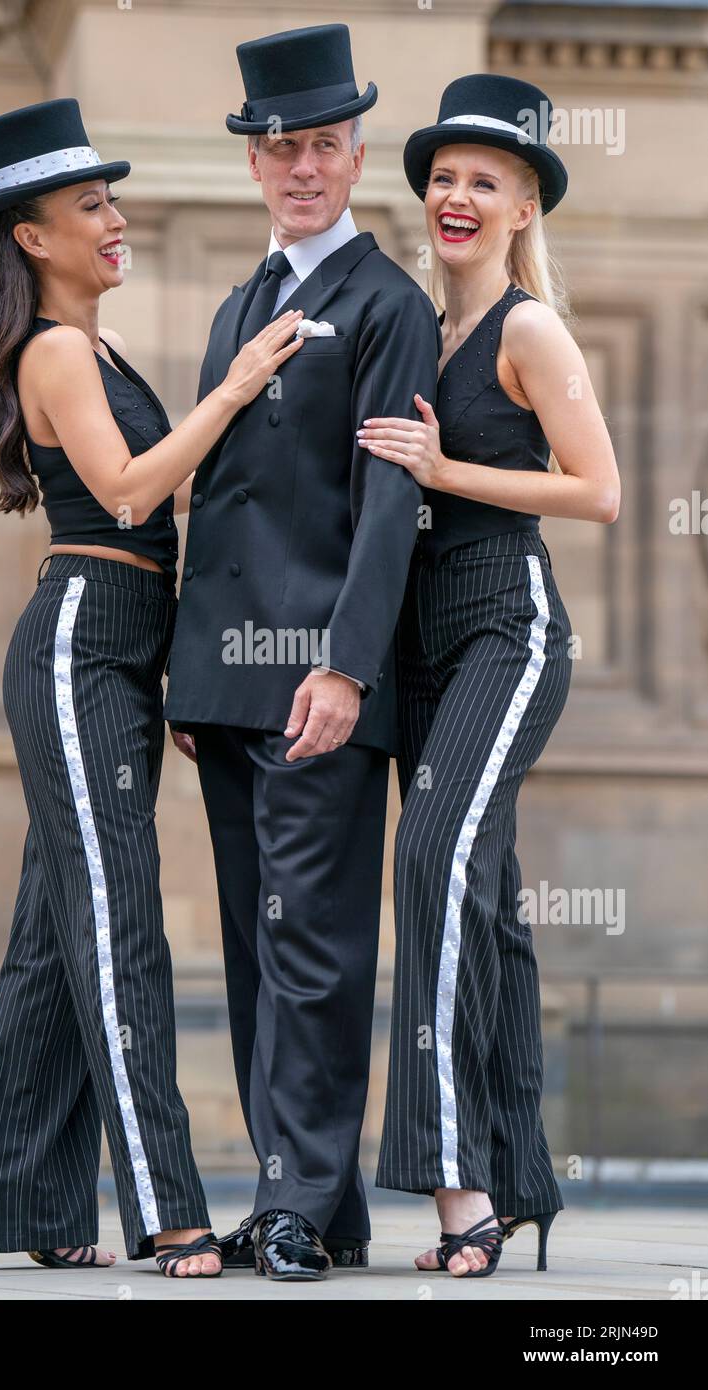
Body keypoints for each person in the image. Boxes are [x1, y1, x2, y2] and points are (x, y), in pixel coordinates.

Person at [0, 97, 304, 1278]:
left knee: (58, 939)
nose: (115, 220)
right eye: (89, 205)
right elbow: (131, 495)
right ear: (30, 237)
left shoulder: (90, 347)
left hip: (119, 651)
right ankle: (168, 1212)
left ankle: (24, 1211)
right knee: (118, 926)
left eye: (111, 199)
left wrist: (184, 670)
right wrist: (243, 378)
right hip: (76, 648)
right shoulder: (54, 348)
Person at [163, 24, 441, 1280]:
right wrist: (190, 672)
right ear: (255, 163)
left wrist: (346, 667)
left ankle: (293, 1196)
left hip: (321, 682)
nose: (301, 168)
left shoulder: (386, 304)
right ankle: (310, 1205)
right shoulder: (238, 304)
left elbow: (388, 510)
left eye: (323, 145)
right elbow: (212, 502)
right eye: (280, 148)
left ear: (355, 153)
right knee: (254, 939)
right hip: (225, 683)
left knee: (317, 945)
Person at [357, 73, 620, 1276]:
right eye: (444, 177)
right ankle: (522, 1179)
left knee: (433, 856)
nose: (456, 196)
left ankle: (457, 1188)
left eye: (485, 182)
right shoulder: (424, 322)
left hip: (506, 629)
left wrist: (446, 471)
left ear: (522, 208)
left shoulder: (526, 327)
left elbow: (600, 490)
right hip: (420, 641)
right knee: (489, 906)